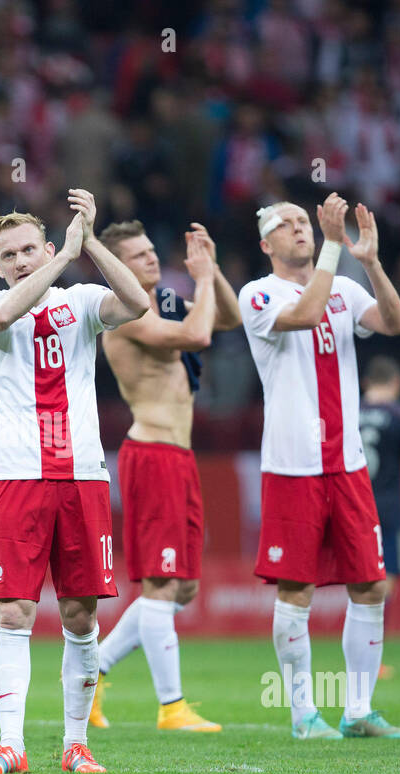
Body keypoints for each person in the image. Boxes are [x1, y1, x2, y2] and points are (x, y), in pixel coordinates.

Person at [0, 189, 151, 774]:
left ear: (48, 246)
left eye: (30, 249)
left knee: (80, 616)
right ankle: (12, 745)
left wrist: (91, 241)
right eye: (9, 255)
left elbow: (139, 303)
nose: (20, 260)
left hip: (83, 476)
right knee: (16, 612)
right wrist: (60, 259)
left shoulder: (82, 301)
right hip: (17, 476)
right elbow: (2, 316)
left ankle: (77, 745)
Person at [237, 195, 400, 739]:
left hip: (348, 462)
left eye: (301, 221)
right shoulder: (258, 293)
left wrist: (373, 262)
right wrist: (336, 246)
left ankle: (357, 710)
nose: (298, 229)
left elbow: (394, 321)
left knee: (370, 585)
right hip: (293, 463)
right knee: (297, 589)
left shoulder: (343, 282)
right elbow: (307, 313)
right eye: (283, 225)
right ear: (266, 245)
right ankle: (301, 714)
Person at [91, 219, 241, 732]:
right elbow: (200, 334)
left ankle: (94, 672)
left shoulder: (169, 301)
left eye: (152, 250)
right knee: (160, 583)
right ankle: (172, 708)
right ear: (118, 269)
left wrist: (212, 269)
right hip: (151, 452)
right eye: (137, 257)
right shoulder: (126, 313)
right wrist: (200, 279)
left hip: (179, 455)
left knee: (184, 589)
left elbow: (229, 318)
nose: (152, 259)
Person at [358, 355, 400, 597]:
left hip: (353, 506)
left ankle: (360, 634)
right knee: (386, 581)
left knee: (357, 578)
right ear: (397, 382)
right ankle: (376, 635)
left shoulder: (348, 414)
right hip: (387, 509)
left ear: (366, 382)